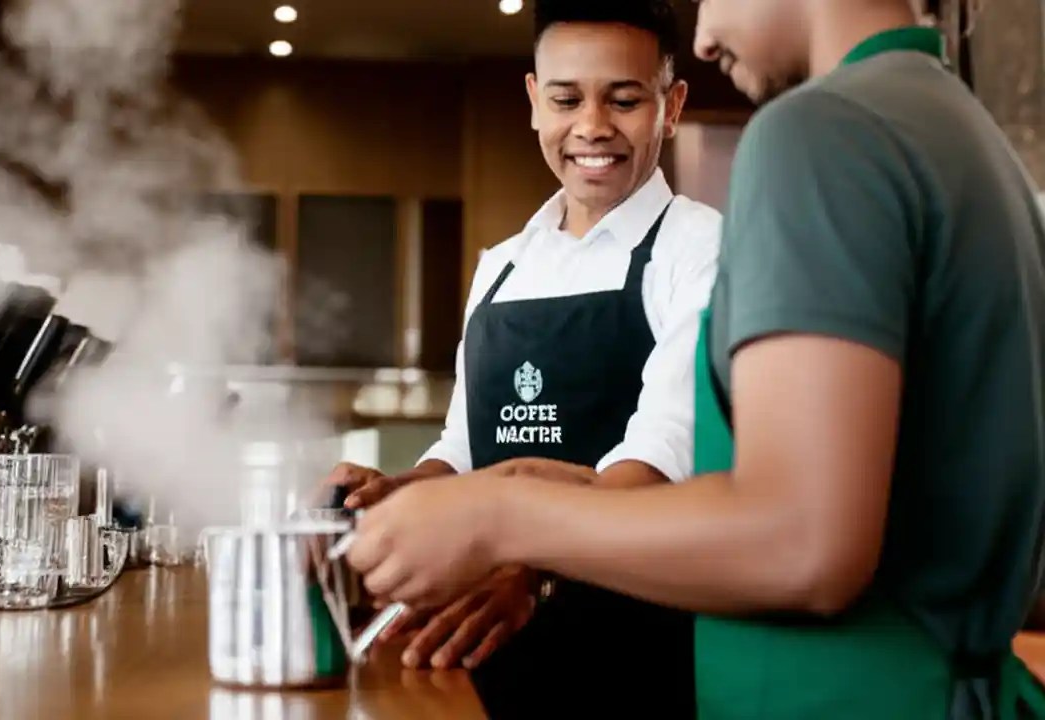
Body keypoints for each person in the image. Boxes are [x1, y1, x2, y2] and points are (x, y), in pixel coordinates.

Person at [344, 0, 1045, 717]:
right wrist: (436, 495)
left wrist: (500, 517)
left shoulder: (821, 132)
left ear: (666, 107)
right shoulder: (967, 133)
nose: (705, 35)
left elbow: (805, 539)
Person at [324, 1, 719, 715]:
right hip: (480, 654)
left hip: (635, 652)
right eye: (566, 99)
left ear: (672, 106)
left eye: (624, 99)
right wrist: (395, 494)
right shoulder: (502, 266)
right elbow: (463, 450)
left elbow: (658, 466)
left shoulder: (699, 249)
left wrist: (526, 562)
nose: (592, 126)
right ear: (535, 101)